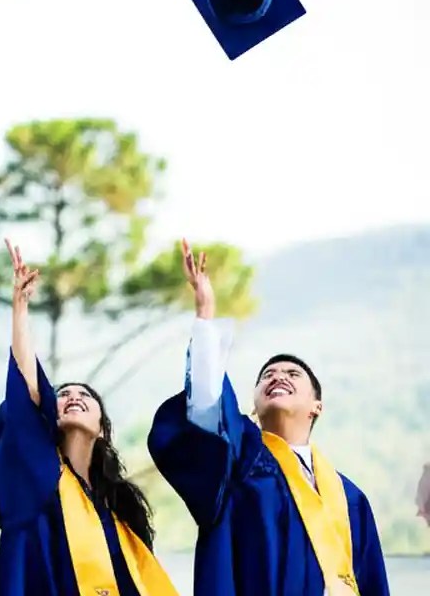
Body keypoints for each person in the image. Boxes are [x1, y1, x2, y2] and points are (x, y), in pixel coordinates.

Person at [147, 240, 390, 596]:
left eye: (293, 374)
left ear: (317, 405)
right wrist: (205, 315)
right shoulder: (239, 461)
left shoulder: (350, 498)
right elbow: (208, 411)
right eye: (267, 376)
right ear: (252, 406)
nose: (278, 376)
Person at [0, 240, 176, 596]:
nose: (72, 397)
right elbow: (25, 393)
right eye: (63, 395)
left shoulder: (118, 505)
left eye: (85, 396)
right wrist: (20, 312)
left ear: (102, 428)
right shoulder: (35, 484)